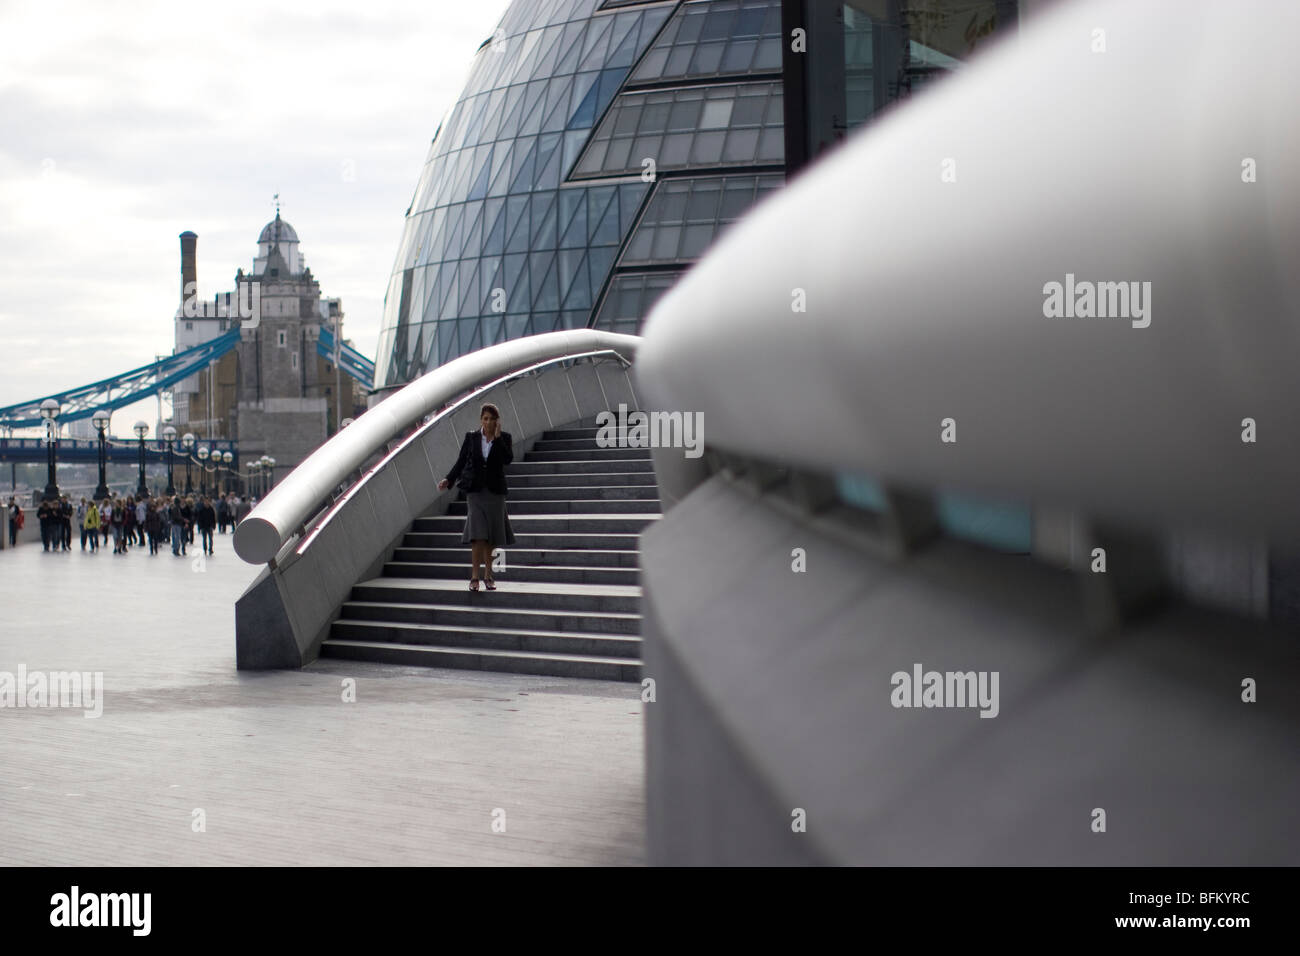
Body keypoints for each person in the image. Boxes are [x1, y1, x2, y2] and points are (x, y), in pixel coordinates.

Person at [437, 402, 515, 591]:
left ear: (497, 422)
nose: (487, 422)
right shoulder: (471, 438)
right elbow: (461, 460)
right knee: (477, 535)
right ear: (481, 420)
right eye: (485, 418)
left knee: (491, 536)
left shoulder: (504, 438)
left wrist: (497, 438)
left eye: (491, 419)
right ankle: (474, 577)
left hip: (495, 492)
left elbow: (508, 459)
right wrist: (449, 479)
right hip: (475, 491)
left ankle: (489, 575)